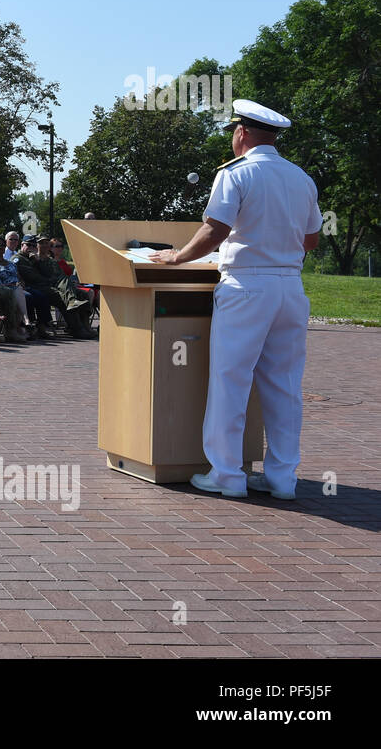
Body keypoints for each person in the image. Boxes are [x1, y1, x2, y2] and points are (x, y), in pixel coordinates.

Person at [150, 99, 321, 501]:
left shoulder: (235, 174)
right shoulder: (302, 178)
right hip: (290, 289)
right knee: (284, 385)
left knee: (231, 379)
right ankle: (282, 478)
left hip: (246, 288)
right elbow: (310, 239)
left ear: (241, 133)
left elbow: (214, 231)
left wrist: (175, 257)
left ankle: (227, 474)